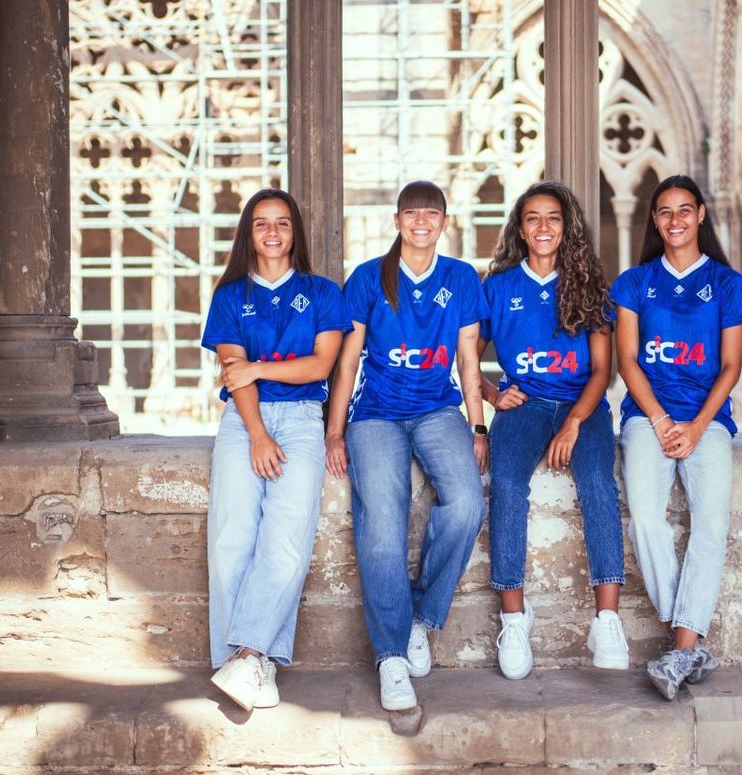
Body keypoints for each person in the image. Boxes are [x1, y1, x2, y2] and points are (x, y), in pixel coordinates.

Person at [326, 180, 488, 711]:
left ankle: (423, 616)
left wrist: (478, 427)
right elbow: (347, 361)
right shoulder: (369, 277)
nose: (421, 222)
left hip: (437, 409)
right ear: (396, 221)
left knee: (467, 504)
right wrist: (334, 431)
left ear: (445, 222)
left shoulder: (461, 278)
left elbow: (468, 359)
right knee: (381, 526)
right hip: (376, 414)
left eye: (431, 213)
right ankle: (391, 655)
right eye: (411, 214)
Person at [201, 187, 352, 711]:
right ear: (249, 232)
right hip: (245, 422)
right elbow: (233, 373)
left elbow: (319, 366)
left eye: (282, 222)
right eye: (262, 223)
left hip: (304, 420)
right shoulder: (230, 296)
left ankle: (248, 656)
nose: (272, 232)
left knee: (286, 538)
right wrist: (258, 433)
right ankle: (245, 661)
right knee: (231, 537)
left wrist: (260, 367)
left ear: (295, 232)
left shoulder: (323, 292)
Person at [610, 175, 742, 701]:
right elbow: (627, 360)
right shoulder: (634, 282)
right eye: (665, 212)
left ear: (701, 215)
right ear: (654, 219)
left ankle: (681, 646)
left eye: (684, 210)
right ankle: (687, 641)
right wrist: (660, 420)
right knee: (646, 520)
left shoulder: (728, 283)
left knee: (711, 523)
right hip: (647, 417)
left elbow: (731, 366)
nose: (675, 220)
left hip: (707, 420)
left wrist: (695, 426)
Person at [478, 181, 627, 680]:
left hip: (582, 405)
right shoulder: (498, 287)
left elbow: (602, 371)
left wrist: (574, 424)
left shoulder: (588, 285)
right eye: (533, 218)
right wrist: (491, 394)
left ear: (567, 228)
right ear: (520, 229)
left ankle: (607, 620)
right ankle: (514, 619)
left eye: (553, 218)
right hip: (524, 405)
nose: (543, 227)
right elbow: (465, 355)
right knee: (506, 484)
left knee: (599, 484)